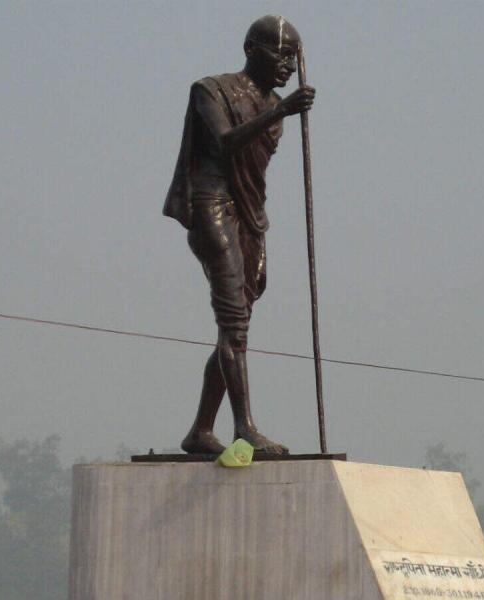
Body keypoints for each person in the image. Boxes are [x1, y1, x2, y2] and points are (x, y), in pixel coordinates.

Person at [163, 15, 315, 454]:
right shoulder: (210, 90)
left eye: (293, 57)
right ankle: (244, 427)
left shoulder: (275, 109)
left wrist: (278, 110)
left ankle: (200, 430)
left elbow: (253, 172)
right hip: (211, 204)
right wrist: (281, 109)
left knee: (237, 326)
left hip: (249, 214)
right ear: (251, 49)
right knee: (234, 321)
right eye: (280, 54)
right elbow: (226, 143)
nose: (287, 65)